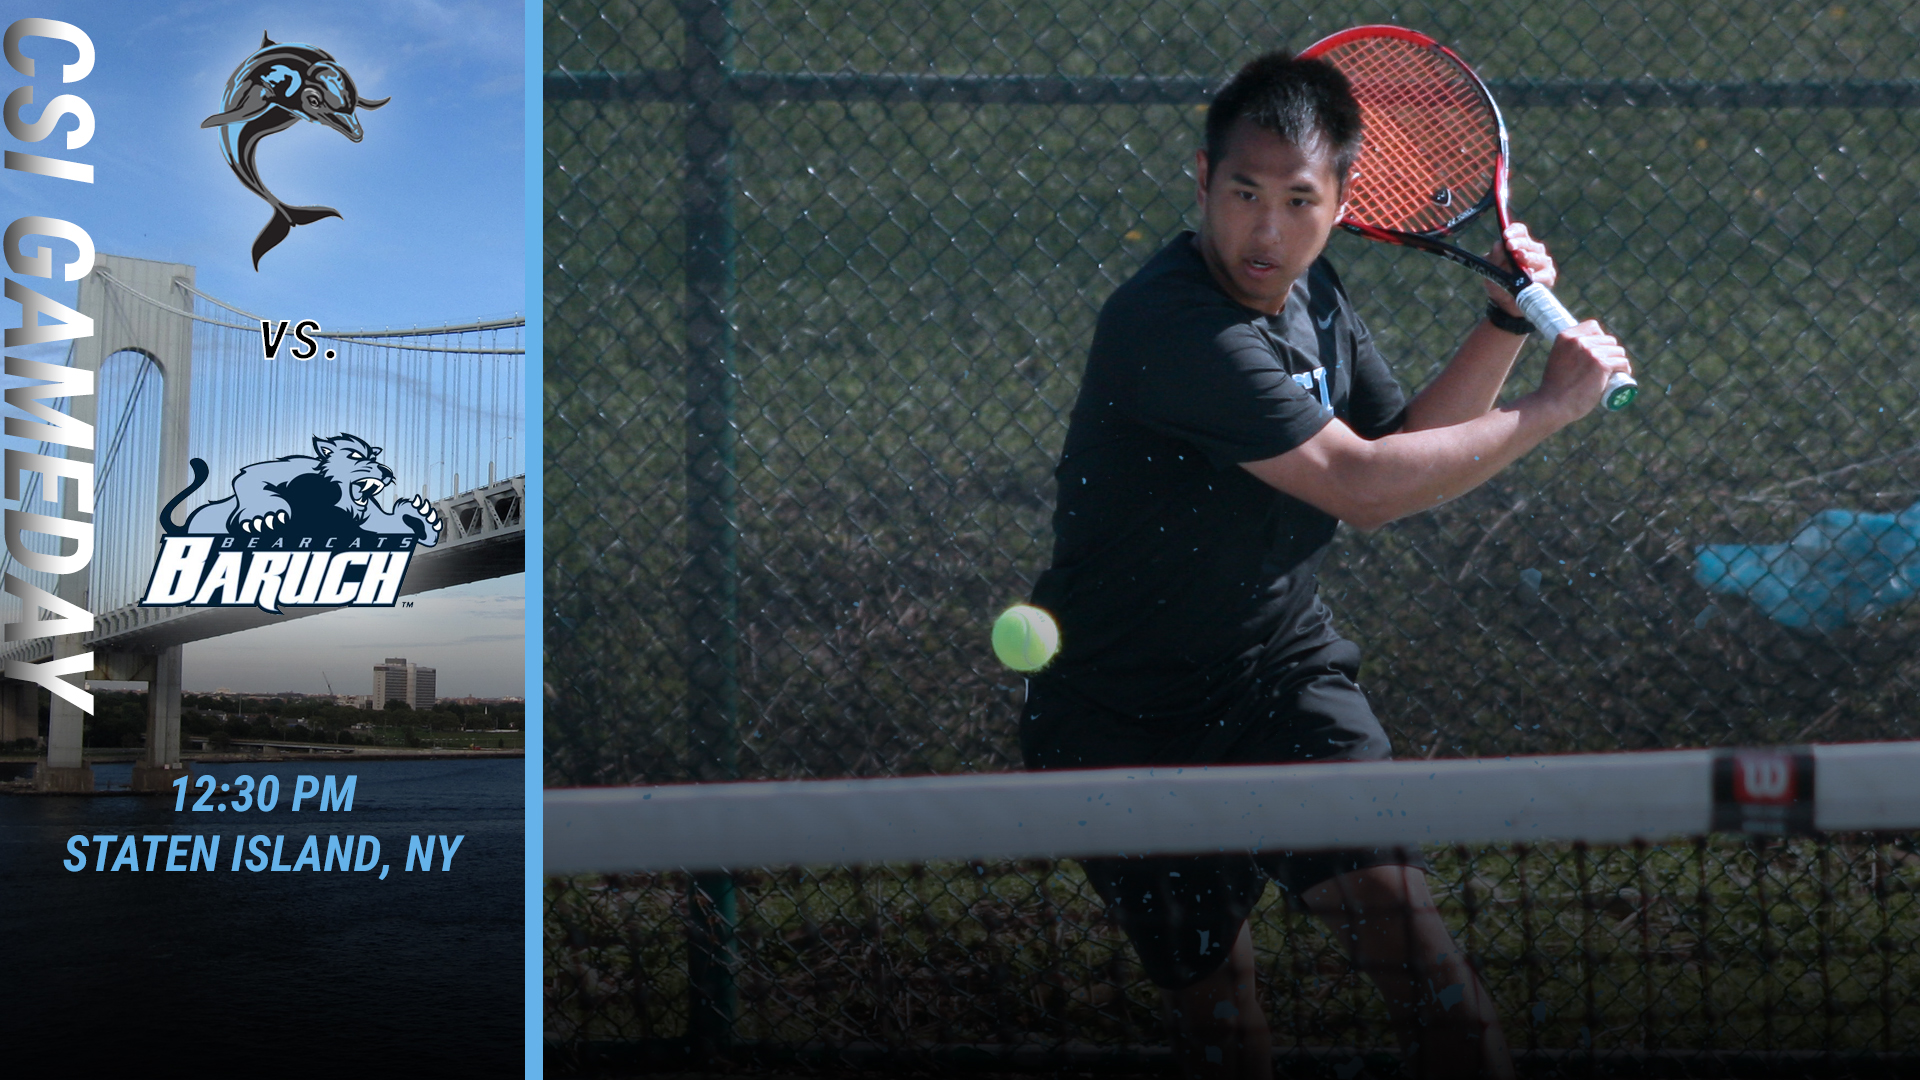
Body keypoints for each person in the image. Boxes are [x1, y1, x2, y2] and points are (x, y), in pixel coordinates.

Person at [1020, 50, 1632, 1080]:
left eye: (1299, 200)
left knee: (1419, 951)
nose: (1267, 232)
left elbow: (1408, 446)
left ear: (1343, 201)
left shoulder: (1315, 297)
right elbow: (1366, 487)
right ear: (1202, 182)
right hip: (1120, 712)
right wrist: (1554, 408)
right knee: (1227, 1029)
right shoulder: (1171, 326)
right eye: (1244, 195)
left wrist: (1500, 326)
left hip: (1275, 673)